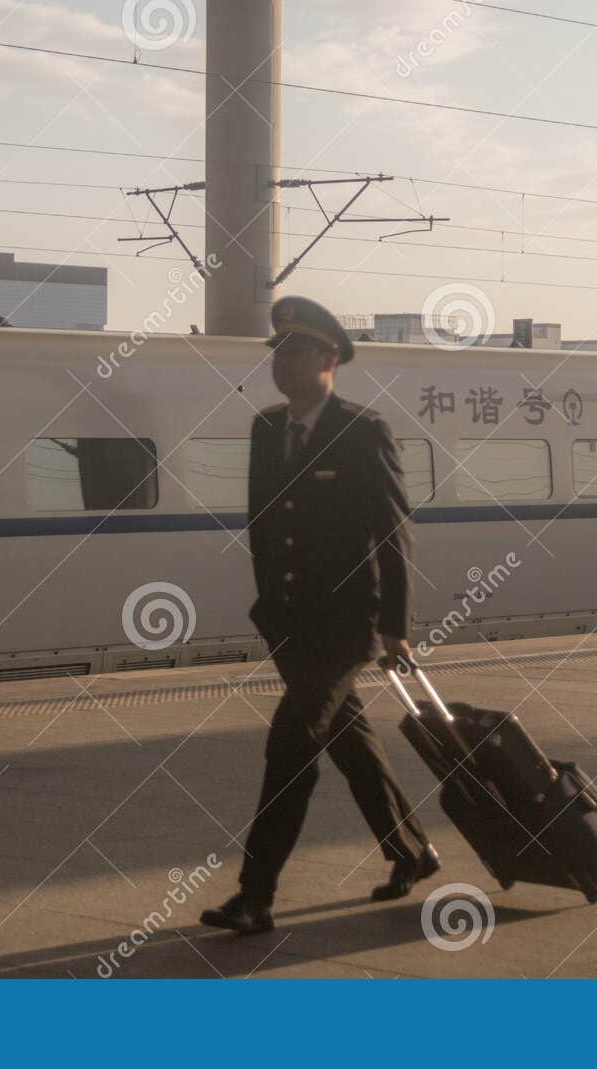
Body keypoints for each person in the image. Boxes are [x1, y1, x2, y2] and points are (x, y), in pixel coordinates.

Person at [200, 296, 439, 935]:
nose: (284, 365)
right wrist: (269, 607)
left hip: (346, 626)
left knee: (290, 747)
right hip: (289, 622)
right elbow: (260, 524)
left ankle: (255, 896)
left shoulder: (364, 431)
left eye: (298, 352)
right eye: (278, 353)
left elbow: (394, 533)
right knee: (349, 740)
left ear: (331, 358)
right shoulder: (266, 427)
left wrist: (395, 626)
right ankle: (413, 851)